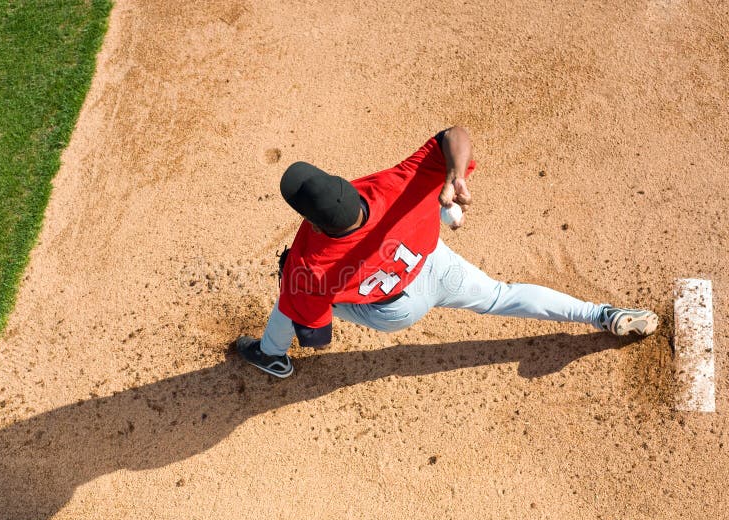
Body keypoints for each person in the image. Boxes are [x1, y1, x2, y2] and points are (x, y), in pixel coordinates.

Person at [236, 127, 658, 378]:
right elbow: (456, 134)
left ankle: (271, 357)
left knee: (292, 296)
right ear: (348, 186)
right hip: (435, 264)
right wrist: (454, 175)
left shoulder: (310, 263)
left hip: (394, 312)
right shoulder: (392, 184)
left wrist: (298, 283)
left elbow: (318, 338)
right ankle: (601, 315)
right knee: (500, 295)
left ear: (313, 222)